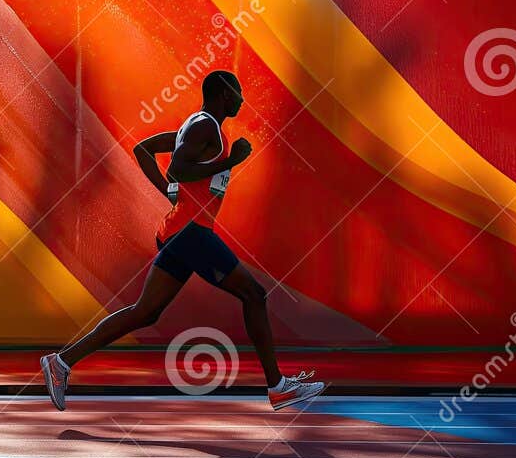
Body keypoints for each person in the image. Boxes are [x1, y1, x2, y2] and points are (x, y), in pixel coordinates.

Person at [40, 70, 326, 411]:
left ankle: (61, 362)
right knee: (254, 294)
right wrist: (230, 161)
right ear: (222, 94)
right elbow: (177, 168)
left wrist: (171, 195)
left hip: (181, 232)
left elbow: (145, 149)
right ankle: (278, 387)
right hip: (192, 233)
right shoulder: (206, 127)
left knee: (144, 313)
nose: (241, 99)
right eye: (237, 93)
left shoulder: (198, 127)